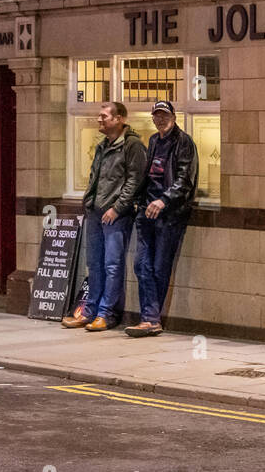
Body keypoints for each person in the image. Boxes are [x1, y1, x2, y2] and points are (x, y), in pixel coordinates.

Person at [62, 102, 146, 331]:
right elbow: (94, 178)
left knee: (112, 265)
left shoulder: (132, 146)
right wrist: (88, 203)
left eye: (104, 116)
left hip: (116, 215)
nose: (99, 119)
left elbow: (134, 181)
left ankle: (107, 314)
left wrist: (117, 208)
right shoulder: (102, 146)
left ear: (119, 119)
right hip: (96, 212)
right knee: (94, 265)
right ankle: (89, 312)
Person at [128, 100, 199, 337]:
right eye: (156, 115)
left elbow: (184, 180)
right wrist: (140, 201)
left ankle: (150, 319)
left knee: (159, 267)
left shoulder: (183, 142)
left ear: (173, 116)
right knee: (141, 265)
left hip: (169, 215)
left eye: (164, 115)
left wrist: (164, 200)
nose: (160, 119)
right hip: (146, 211)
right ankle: (150, 318)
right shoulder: (153, 141)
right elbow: (148, 174)